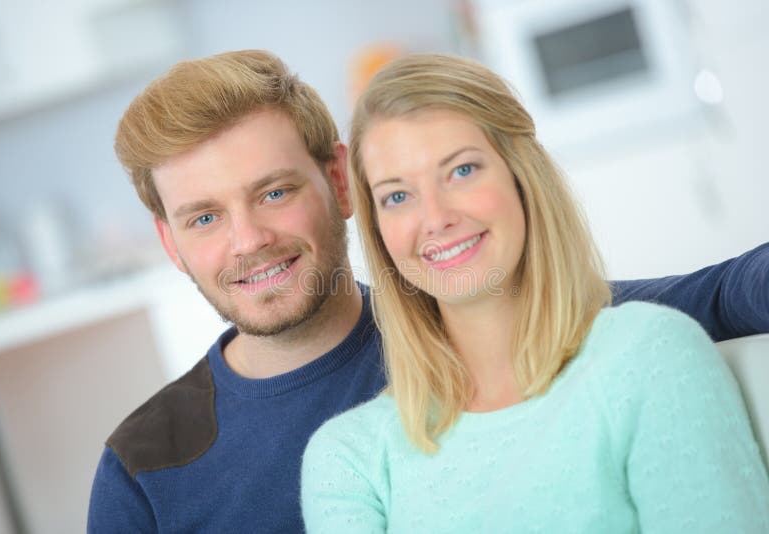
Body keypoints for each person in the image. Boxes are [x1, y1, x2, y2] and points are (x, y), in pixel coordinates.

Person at [87, 49, 769, 533]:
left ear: (340, 182)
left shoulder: (473, 322)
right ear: (171, 243)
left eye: (274, 192)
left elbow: (709, 299)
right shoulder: (143, 470)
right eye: (204, 218)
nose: (248, 239)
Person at [300, 54, 769, 532]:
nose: (435, 218)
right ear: (379, 229)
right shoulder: (349, 459)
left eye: (462, 170)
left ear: (522, 174)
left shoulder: (651, 355)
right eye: (397, 196)